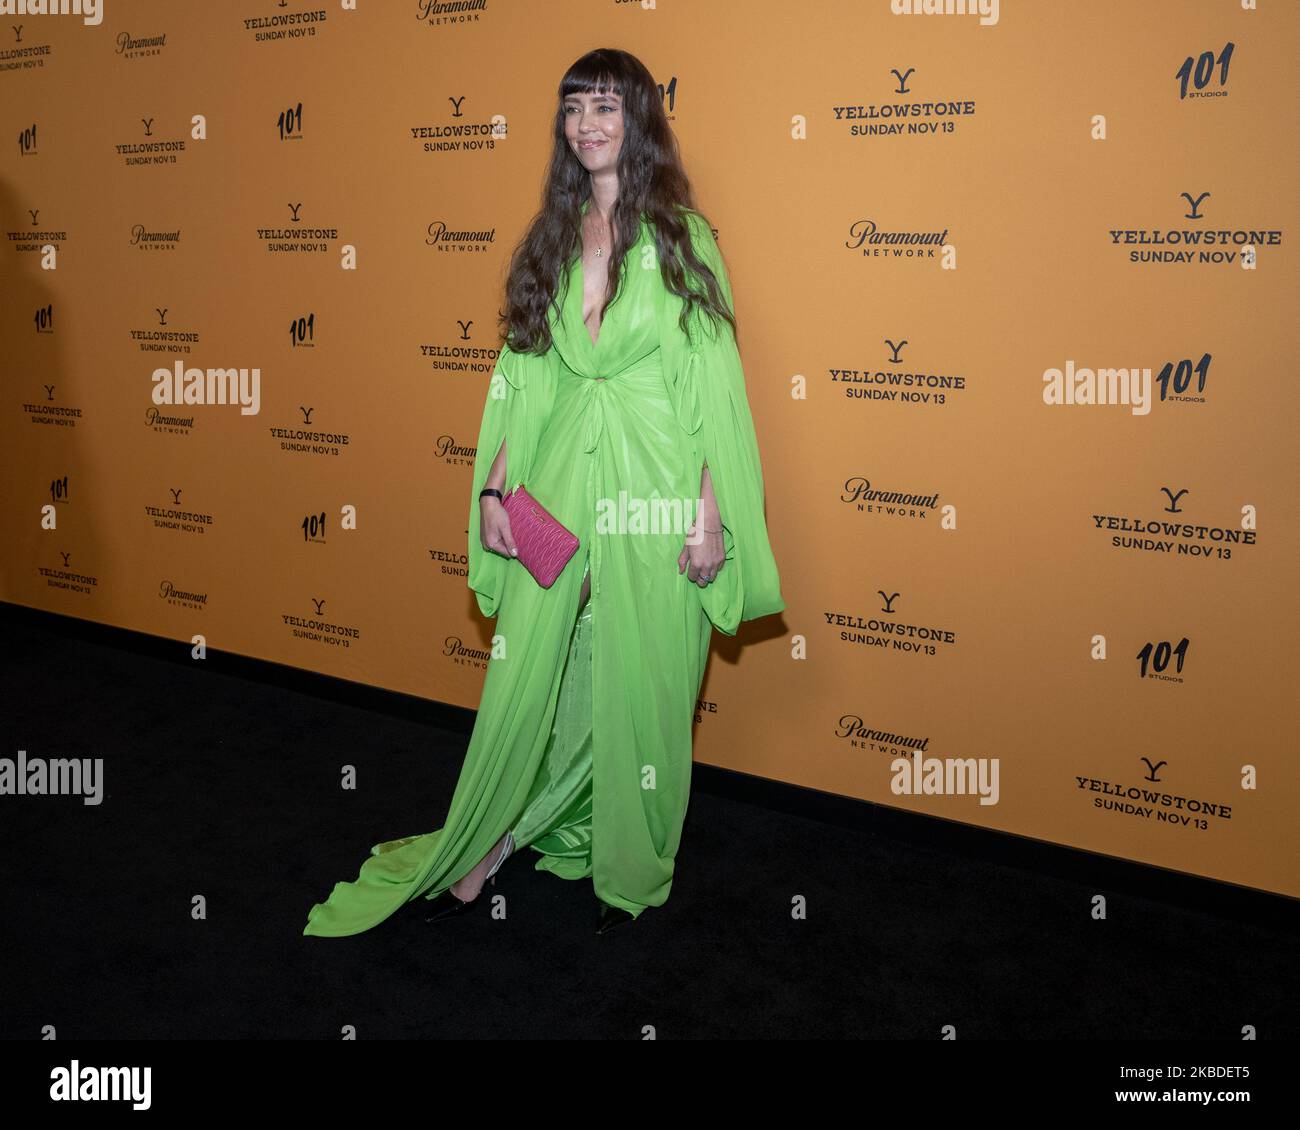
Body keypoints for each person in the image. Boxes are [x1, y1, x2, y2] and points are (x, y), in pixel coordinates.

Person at [303, 47, 784, 939]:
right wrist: (492, 492)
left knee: (644, 683)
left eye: (606, 105)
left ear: (638, 119)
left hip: (658, 482)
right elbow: (521, 376)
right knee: (540, 677)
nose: (588, 123)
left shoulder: (683, 235)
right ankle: (498, 838)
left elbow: (716, 386)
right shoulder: (554, 237)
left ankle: (630, 877)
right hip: (561, 477)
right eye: (573, 109)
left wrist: (710, 512)